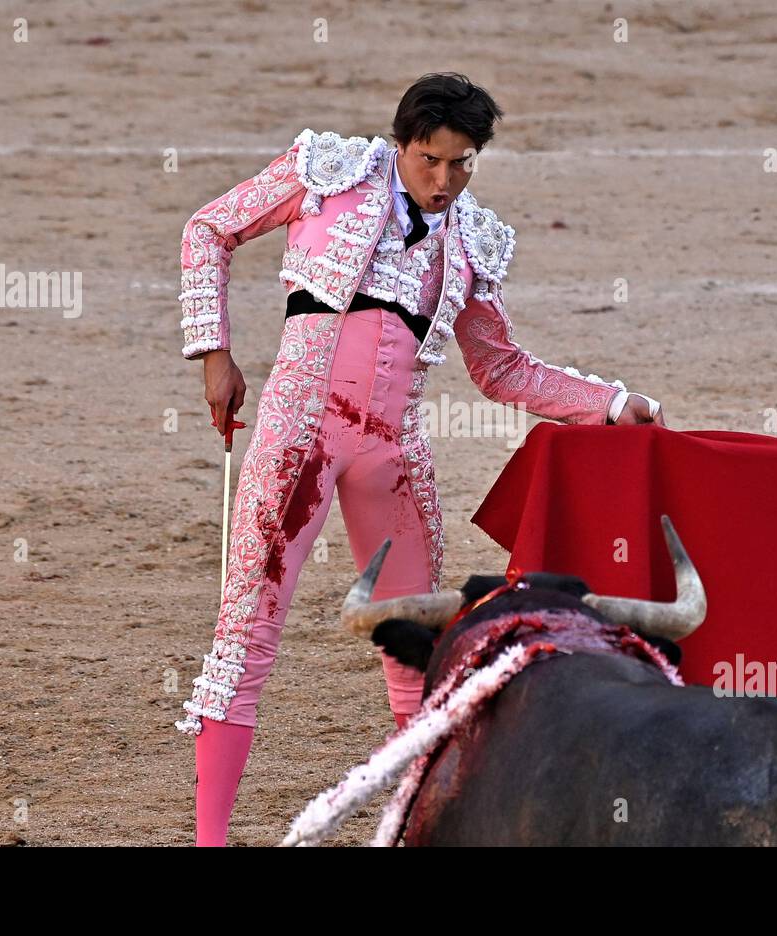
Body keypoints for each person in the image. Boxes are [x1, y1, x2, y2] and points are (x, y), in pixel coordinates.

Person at [174, 72, 664, 845]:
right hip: (295, 443)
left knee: (415, 652)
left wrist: (607, 404)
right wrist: (213, 351)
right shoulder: (326, 175)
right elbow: (209, 230)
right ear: (401, 143)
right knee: (244, 642)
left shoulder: (472, 238)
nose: (445, 181)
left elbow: (500, 368)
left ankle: (425, 833)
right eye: (431, 160)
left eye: (462, 163)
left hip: (390, 457)